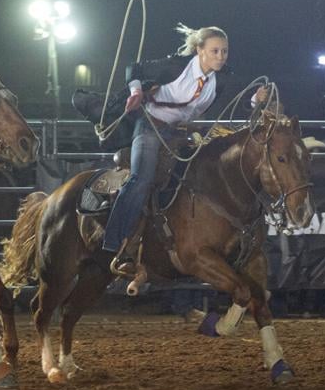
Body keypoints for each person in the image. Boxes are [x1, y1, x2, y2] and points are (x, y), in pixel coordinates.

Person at [102, 24, 269, 275]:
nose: (221, 57)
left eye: (224, 51)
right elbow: (133, 69)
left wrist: (256, 100)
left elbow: (239, 102)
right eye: (215, 51)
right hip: (150, 126)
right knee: (141, 178)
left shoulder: (222, 77)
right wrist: (136, 91)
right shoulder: (175, 67)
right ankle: (116, 242)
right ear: (200, 51)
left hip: (180, 132)